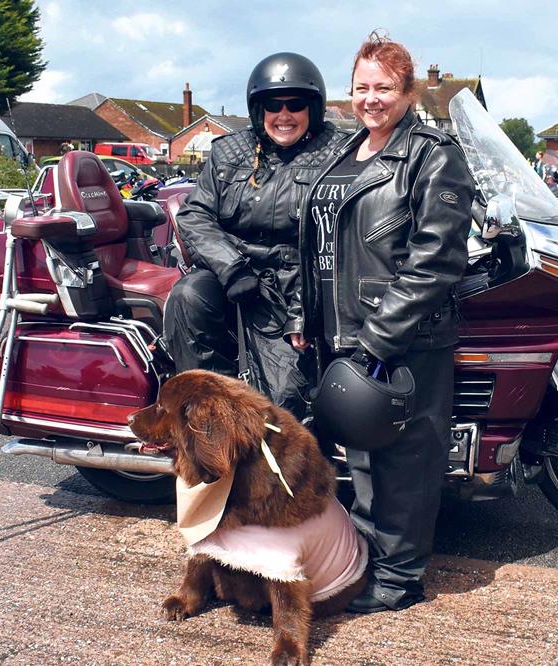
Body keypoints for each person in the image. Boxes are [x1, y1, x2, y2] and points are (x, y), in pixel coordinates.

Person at [293, 33, 473, 613]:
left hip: (401, 335)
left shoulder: (432, 153)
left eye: (384, 88)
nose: (371, 99)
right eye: (362, 88)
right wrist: (308, 315)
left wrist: (377, 339)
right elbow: (320, 243)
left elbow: (436, 259)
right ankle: (372, 561)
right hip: (342, 330)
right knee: (365, 456)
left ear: (409, 91)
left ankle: (399, 580)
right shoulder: (348, 152)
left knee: (407, 460)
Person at [161, 52, 343, 418]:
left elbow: (336, 237)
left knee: (285, 405)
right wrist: (231, 268)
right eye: (273, 104)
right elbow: (196, 214)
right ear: (259, 109)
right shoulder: (230, 152)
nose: (284, 115)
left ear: (313, 108)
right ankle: (209, 414)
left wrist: (303, 311)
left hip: (295, 284)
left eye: (295, 104)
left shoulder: (336, 153)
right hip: (234, 276)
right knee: (188, 296)